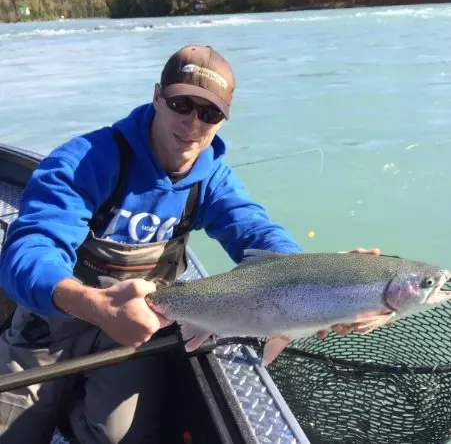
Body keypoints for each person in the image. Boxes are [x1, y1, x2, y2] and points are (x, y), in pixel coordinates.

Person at [0, 44, 380, 443]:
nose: (193, 123)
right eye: (182, 104)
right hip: (53, 318)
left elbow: (258, 234)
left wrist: (327, 281)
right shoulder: (85, 161)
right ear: (157, 97)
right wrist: (93, 304)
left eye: (209, 113)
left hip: (137, 327)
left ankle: (73, 408)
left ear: (222, 120)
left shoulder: (211, 180)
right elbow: (29, 251)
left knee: (121, 438)